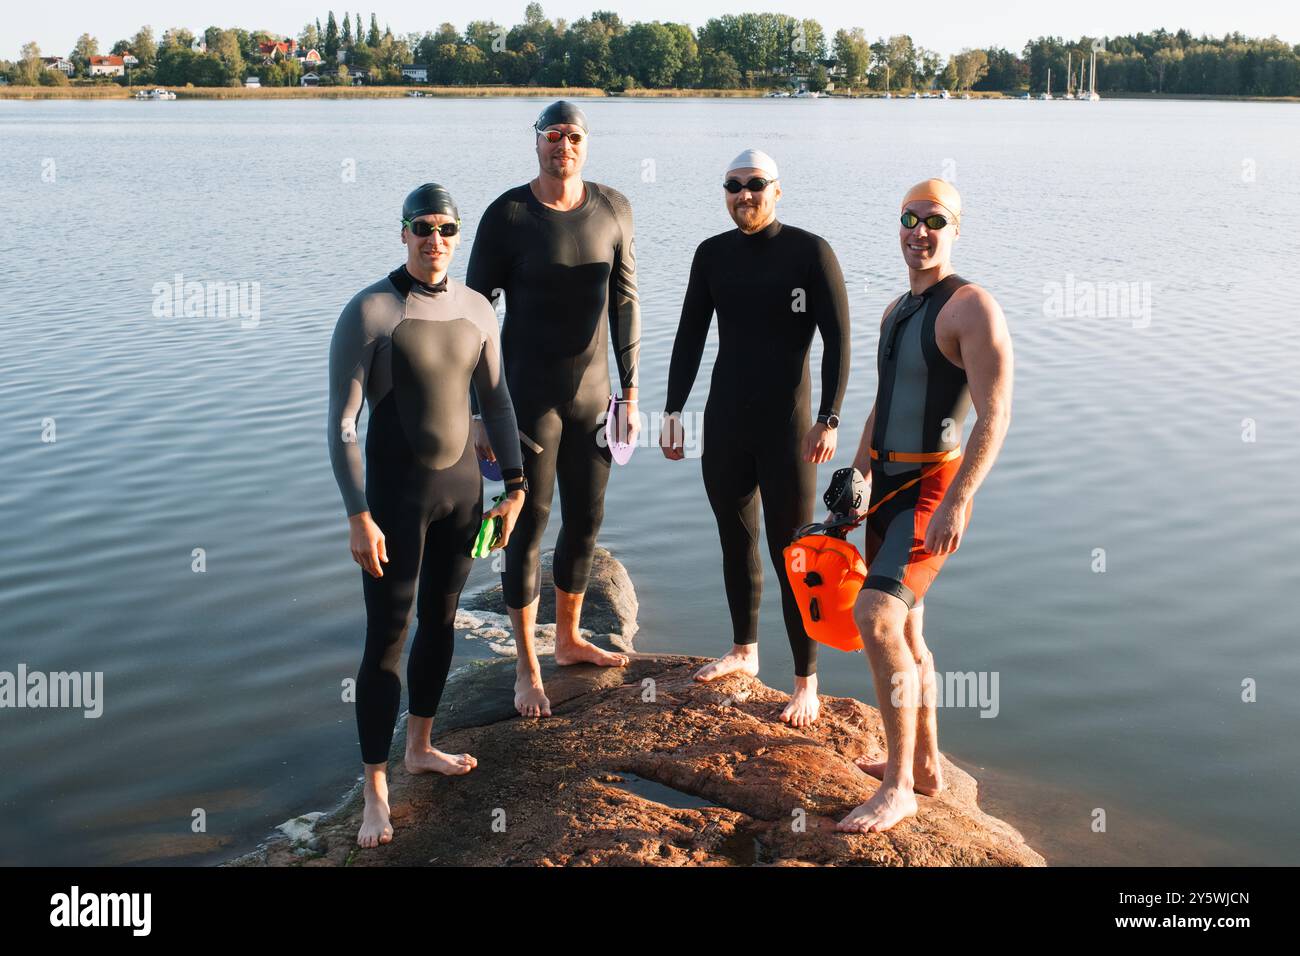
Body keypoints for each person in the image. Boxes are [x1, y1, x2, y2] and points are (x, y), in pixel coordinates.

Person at [328, 183, 528, 848]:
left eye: (445, 228)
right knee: (386, 638)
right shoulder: (371, 311)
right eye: (422, 227)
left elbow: (497, 405)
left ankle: (421, 744)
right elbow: (343, 425)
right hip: (392, 501)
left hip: (463, 494)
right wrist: (358, 514)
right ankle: (375, 794)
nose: (434, 240)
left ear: (456, 234)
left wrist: (517, 487)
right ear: (403, 232)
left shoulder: (477, 308)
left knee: (440, 621)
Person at [836, 179, 1013, 834]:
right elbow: (885, 404)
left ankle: (898, 787)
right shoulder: (894, 311)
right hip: (885, 489)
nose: (920, 232)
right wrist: (855, 480)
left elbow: (995, 416)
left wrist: (959, 499)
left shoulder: (972, 308)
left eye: (934, 221)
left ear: (956, 229)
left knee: (876, 617)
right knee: (909, 633)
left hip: (931, 489)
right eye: (910, 219)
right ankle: (929, 767)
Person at [660, 149, 850, 728]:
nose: (745, 194)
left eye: (756, 184)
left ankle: (805, 681)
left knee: (795, 553)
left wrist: (830, 417)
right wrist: (672, 410)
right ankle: (744, 650)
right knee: (734, 539)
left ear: (777, 190)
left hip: (789, 429)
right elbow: (691, 335)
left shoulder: (809, 252)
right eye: (734, 185)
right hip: (725, 422)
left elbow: (839, 339)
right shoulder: (712, 255)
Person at [466, 101, 640, 719]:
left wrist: (631, 393)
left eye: (572, 136)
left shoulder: (614, 208)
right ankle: (526, 664)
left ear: (585, 145)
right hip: (526, 400)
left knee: (587, 522)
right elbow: (474, 318)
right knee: (528, 521)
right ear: (535, 142)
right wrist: (479, 411)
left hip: (595, 398)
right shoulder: (507, 216)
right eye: (551, 135)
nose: (561, 145)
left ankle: (567, 640)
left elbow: (625, 304)